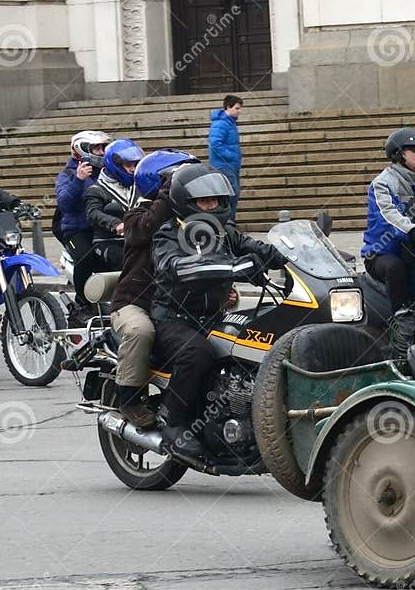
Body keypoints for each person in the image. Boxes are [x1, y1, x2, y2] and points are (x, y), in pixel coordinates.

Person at [151, 163, 286, 457]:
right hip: (174, 320)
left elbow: (258, 248)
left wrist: (295, 256)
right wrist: (234, 267)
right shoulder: (168, 235)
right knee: (197, 353)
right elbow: (176, 266)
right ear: (185, 203)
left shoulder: (225, 232)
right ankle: (172, 421)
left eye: (215, 200)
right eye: (203, 201)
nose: (211, 206)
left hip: (213, 317)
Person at [109, 149, 200, 428]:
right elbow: (146, 228)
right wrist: (168, 193)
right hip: (134, 303)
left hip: (178, 306)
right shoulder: (137, 215)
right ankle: (130, 398)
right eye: (180, 178)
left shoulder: (196, 218)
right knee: (140, 331)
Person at [360, 127, 415, 313]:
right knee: (395, 267)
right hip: (381, 253)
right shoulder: (382, 183)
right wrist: (413, 231)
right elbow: (388, 215)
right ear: (399, 153)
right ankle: (400, 318)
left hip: (413, 249)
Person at [55, 130, 112, 319]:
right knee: (85, 257)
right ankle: (82, 303)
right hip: (77, 230)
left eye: (103, 148)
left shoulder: (108, 172)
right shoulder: (68, 174)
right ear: (82, 150)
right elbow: (64, 204)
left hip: (104, 227)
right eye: (97, 149)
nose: (102, 153)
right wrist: (78, 180)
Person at [85, 139, 145, 272]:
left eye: (135, 164)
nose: (133, 169)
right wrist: (114, 223)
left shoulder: (141, 186)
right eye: (128, 165)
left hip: (137, 241)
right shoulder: (97, 189)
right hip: (108, 242)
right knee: (127, 265)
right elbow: (92, 213)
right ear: (115, 165)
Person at [207, 94, 243, 221]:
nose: (239, 111)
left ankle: (229, 224)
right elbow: (215, 144)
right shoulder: (222, 123)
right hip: (224, 166)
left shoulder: (229, 123)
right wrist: (232, 156)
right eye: (237, 108)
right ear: (228, 107)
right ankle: (227, 225)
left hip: (230, 166)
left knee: (232, 195)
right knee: (230, 196)